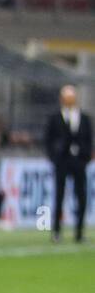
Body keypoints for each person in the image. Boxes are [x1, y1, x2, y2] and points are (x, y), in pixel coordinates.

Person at [45, 84, 92, 242]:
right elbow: (48, 140)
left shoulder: (84, 118)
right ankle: (56, 231)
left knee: (82, 197)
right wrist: (54, 157)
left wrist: (85, 157)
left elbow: (89, 140)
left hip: (79, 162)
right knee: (59, 196)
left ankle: (79, 232)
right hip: (62, 162)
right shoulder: (55, 118)